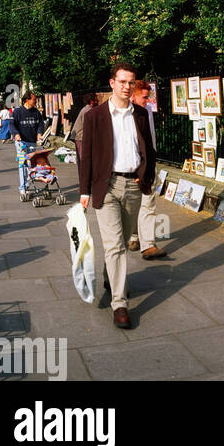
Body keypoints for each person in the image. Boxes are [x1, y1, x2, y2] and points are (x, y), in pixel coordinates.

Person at [78, 63, 155, 329]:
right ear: (112, 83)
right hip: (106, 186)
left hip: (132, 186)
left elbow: (149, 150)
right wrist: (84, 191)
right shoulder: (95, 116)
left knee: (121, 242)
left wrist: (145, 176)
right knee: (114, 246)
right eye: (122, 81)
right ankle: (119, 303)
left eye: (131, 82)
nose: (126, 86)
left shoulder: (142, 114)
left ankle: (111, 278)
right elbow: (86, 155)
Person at [128, 80, 165, 260]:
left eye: (148, 97)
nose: (148, 100)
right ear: (133, 96)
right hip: (131, 165)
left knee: (148, 204)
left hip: (148, 163)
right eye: (144, 97)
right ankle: (134, 237)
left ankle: (148, 244)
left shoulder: (147, 110)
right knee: (133, 205)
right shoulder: (125, 114)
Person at [11, 92, 45, 197]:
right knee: (23, 164)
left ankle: (30, 182)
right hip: (21, 143)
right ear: (27, 100)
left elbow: (40, 123)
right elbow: (11, 124)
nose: (35, 101)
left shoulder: (36, 112)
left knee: (32, 164)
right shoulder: (17, 111)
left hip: (32, 142)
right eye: (34, 100)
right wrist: (16, 134)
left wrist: (39, 133)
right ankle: (23, 187)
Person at [68, 95, 98, 163]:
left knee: (81, 157)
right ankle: (83, 172)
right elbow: (87, 126)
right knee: (83, 158)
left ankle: (83, 172)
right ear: (91, 101)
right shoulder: (88, 110)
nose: (97, 102)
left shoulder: (87, 109)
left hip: (79, 135)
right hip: (80, 136)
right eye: (95, 100)